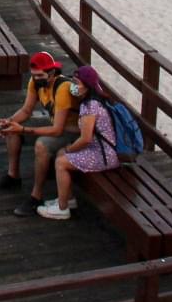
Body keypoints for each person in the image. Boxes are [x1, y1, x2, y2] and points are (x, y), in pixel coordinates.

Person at [0, 51, 78, 215]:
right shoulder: (36, 82)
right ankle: (13, 176)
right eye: (33, 75)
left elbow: (58, 129)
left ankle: (36, 196)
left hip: (72, 132)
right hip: (56, 127)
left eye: (39, 75)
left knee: (42, 144)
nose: (36, 79)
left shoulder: (63, 88)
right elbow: (26, 110)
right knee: (12, 129)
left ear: (51, 73)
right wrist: (10, 122)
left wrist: (22, 129)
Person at [37, 66, 124, 220]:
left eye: (77, 83)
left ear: (87, 85)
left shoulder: (89, 106)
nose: (74, 87)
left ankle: (62, 209)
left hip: (103, 155)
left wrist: (69, 149)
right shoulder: (98, 100)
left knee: (61, 162)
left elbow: (85, 138)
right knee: (61, 154)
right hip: (105, 150)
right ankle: (67, 199)